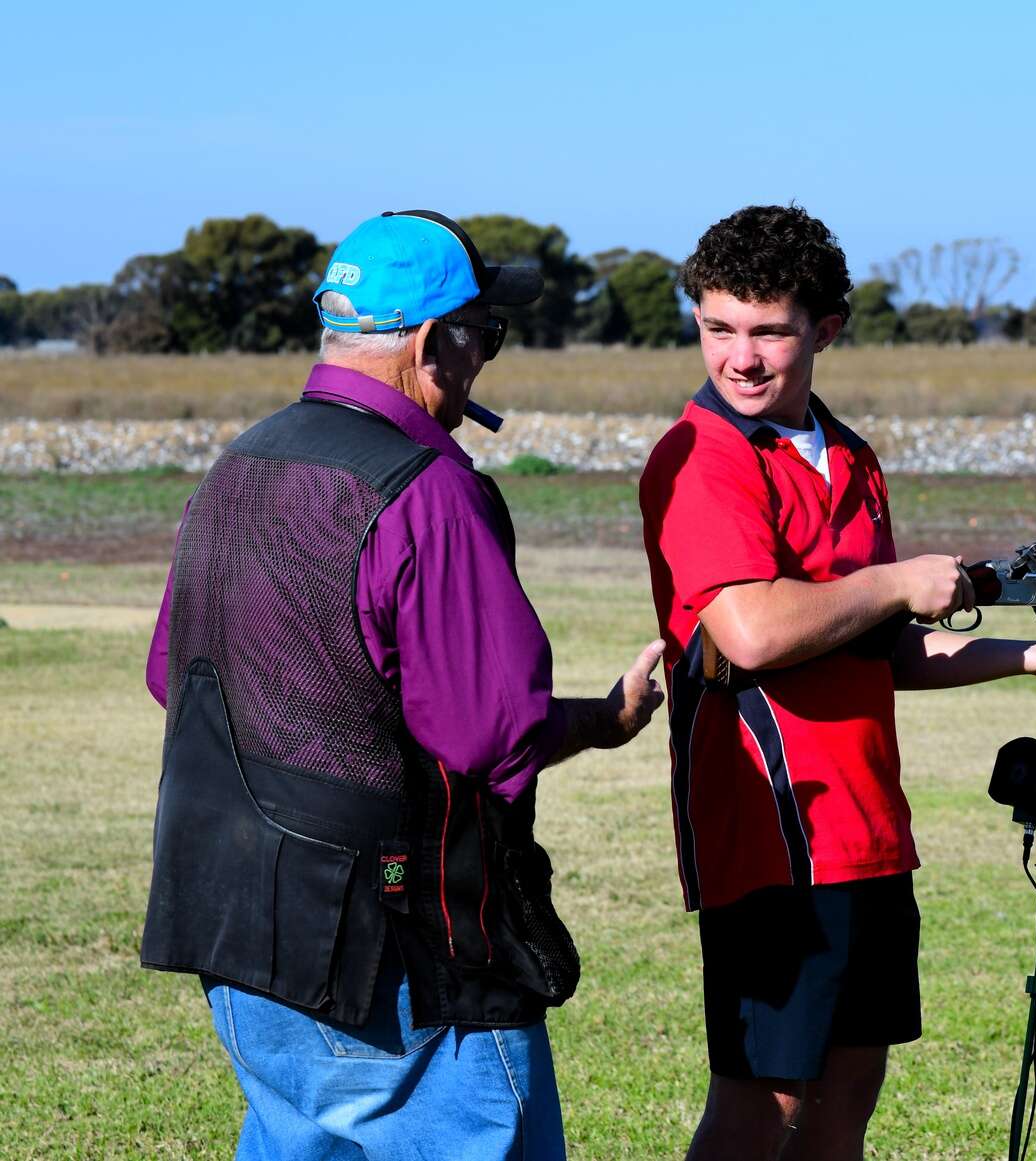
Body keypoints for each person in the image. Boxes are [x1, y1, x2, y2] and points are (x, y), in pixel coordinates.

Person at [142, 209, 664, 1161]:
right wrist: (606, 718)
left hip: (229, 924)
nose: (481, 366)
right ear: (432, 342)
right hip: (393, 952)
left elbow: (168, 675)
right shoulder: (428, 488)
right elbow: (488, 734)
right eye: (484, 338)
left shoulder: (236, 465)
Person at [638, 204, 1036, 1161]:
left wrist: (1034, 659)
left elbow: (890, 651)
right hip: (771, 833)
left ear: (825, 330)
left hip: (866, 833)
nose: (739, 356)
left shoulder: (851, 455)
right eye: (718, 327)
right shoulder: (701, 459)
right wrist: (899, 582)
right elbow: (750, 628)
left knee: (848, 1097)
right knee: (763, 1105)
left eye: (769, 329)